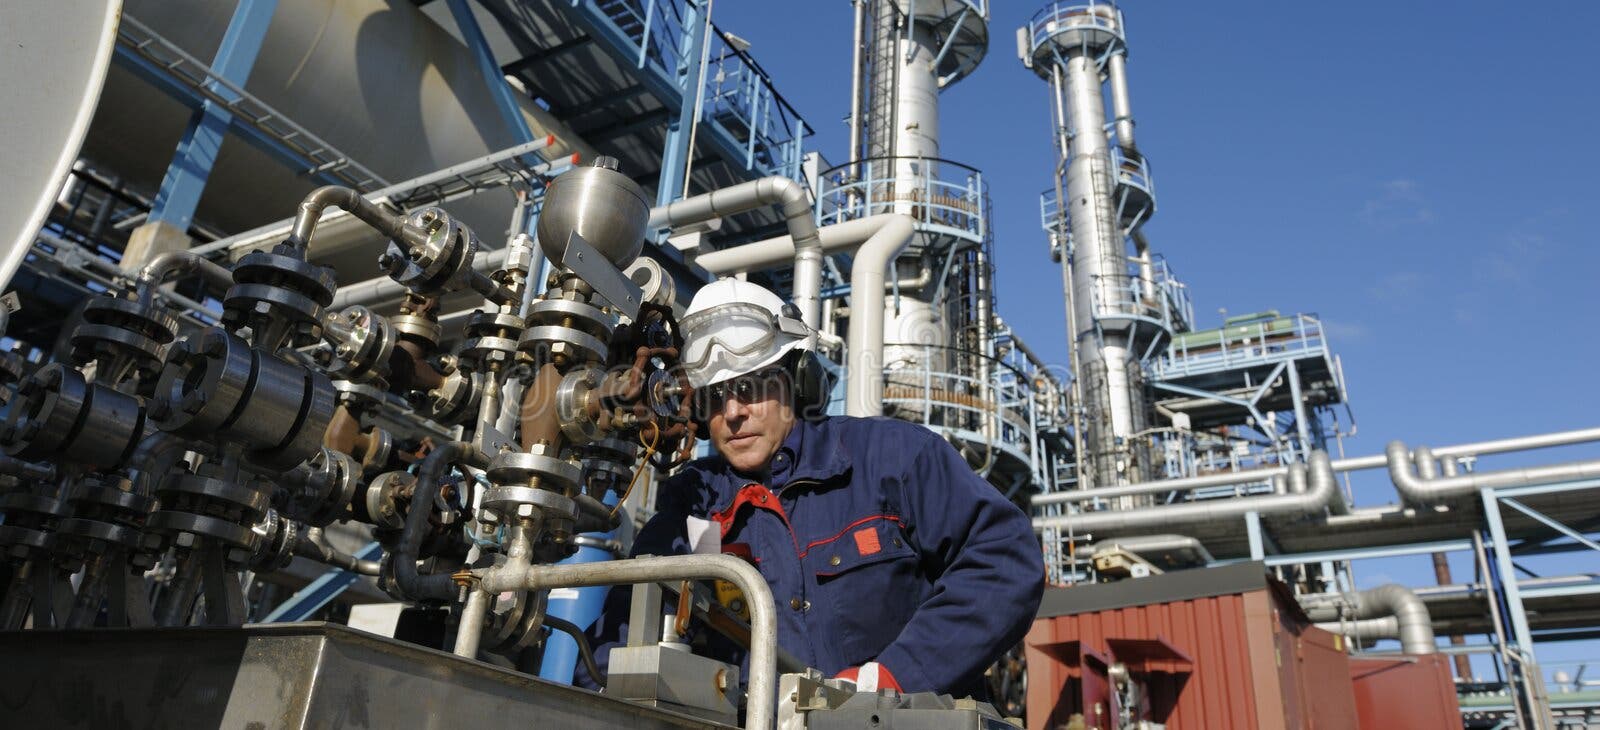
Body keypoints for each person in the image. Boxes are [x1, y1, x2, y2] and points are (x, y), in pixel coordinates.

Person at [578, 278, 1043, 698]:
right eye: (715, 397)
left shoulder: (890, 460)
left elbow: (1004, 559)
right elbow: (610, 648)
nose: (734, 412)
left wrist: (894, 678)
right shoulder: (694, 508)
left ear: (795, 380)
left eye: (750, 387)